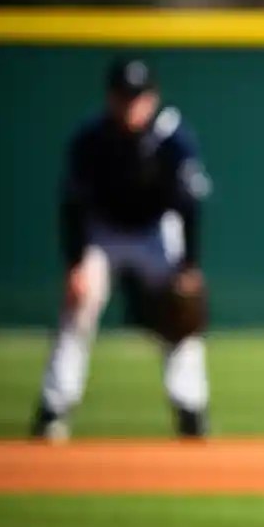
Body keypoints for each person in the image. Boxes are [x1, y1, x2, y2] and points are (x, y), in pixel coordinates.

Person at [30, 57, 213, 442]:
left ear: (153, 98)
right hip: (104, 232)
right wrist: (75, 264)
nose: (131, 105)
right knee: (78, 307)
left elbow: (190, 205)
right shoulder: (91, 139)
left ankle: (191, 409)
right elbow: (73, 206)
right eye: (124, 96)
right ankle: (54, 408)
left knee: (181, 319)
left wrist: (189, 266)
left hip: (155, 231)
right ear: (110, 99)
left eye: (139, 96)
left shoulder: (172, 140)